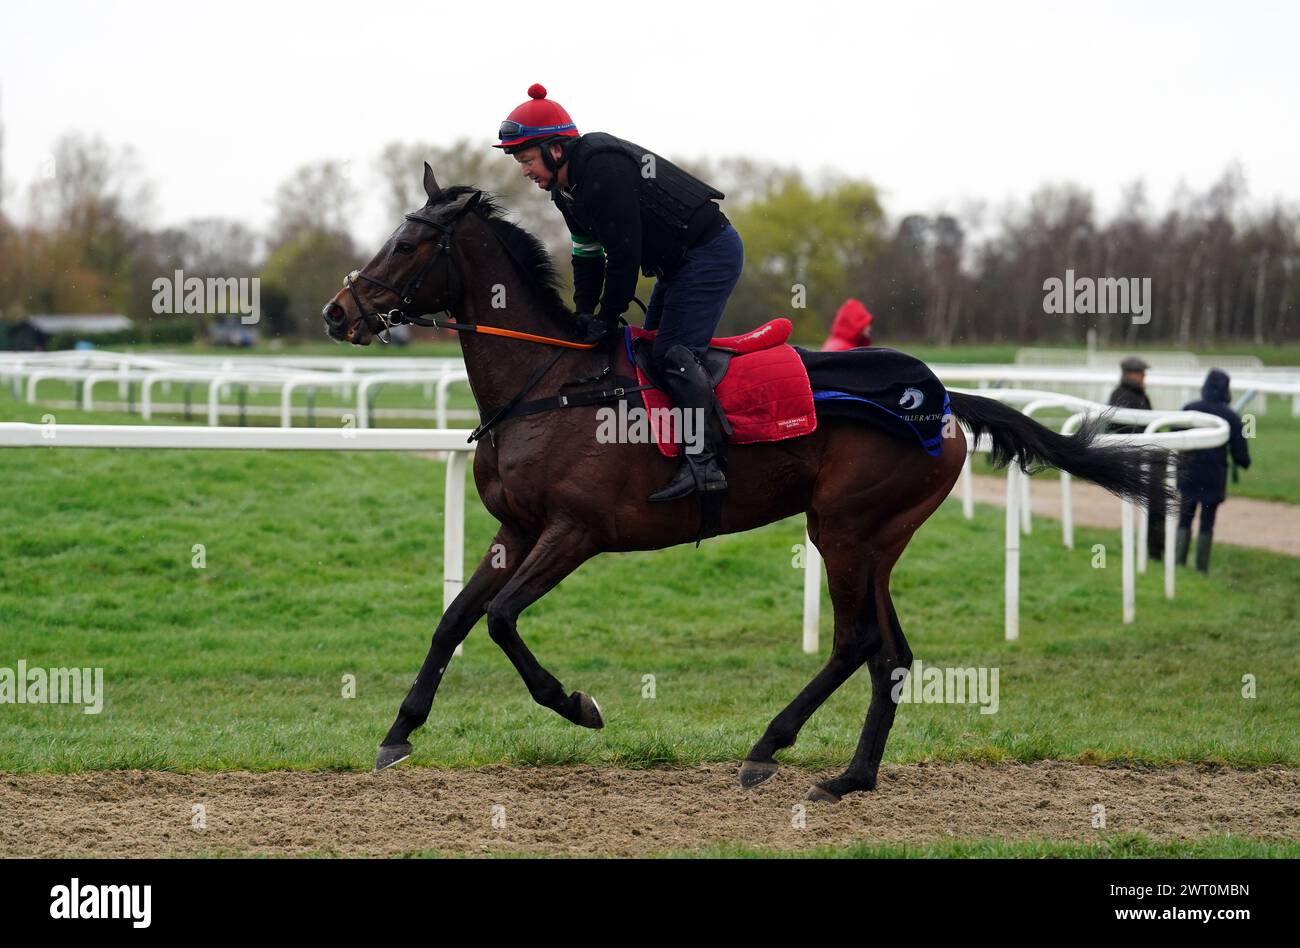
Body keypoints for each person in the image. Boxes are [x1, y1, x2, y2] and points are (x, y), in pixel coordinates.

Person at [494, 84, 743, 503]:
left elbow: (623, 258)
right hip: (677, 264)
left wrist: (607, 318)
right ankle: (663, 452)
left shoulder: (601, 168)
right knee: (645, 355)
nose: (525, 170)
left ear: (556, 150)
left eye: (527, 159)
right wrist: (583, 313)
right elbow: (587, 256)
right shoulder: (565, 191)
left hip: (710, 254)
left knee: (673, 355)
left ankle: (706, 463)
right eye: (521, 162)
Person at [1176, 368, 1251, 573]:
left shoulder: (1189, 409)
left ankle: (1178, 562)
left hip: (1187, 475)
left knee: (1184, 518)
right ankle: (1201, 568)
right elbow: (1241, 453)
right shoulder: (1231, 417)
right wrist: (1244, 462)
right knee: (1207, 523)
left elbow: (1172, 437)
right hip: (1213, 477)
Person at [1107, 356, 1164, 560]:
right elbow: (1119, 429)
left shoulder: (1137, 395)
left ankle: (1155, 547)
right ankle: (1154, 550)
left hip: (1144, 454)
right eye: (1141, 373)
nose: (1144, 377)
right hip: (1136, 457)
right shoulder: (1122, 396)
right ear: (1130, 374)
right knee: (1157, 501)